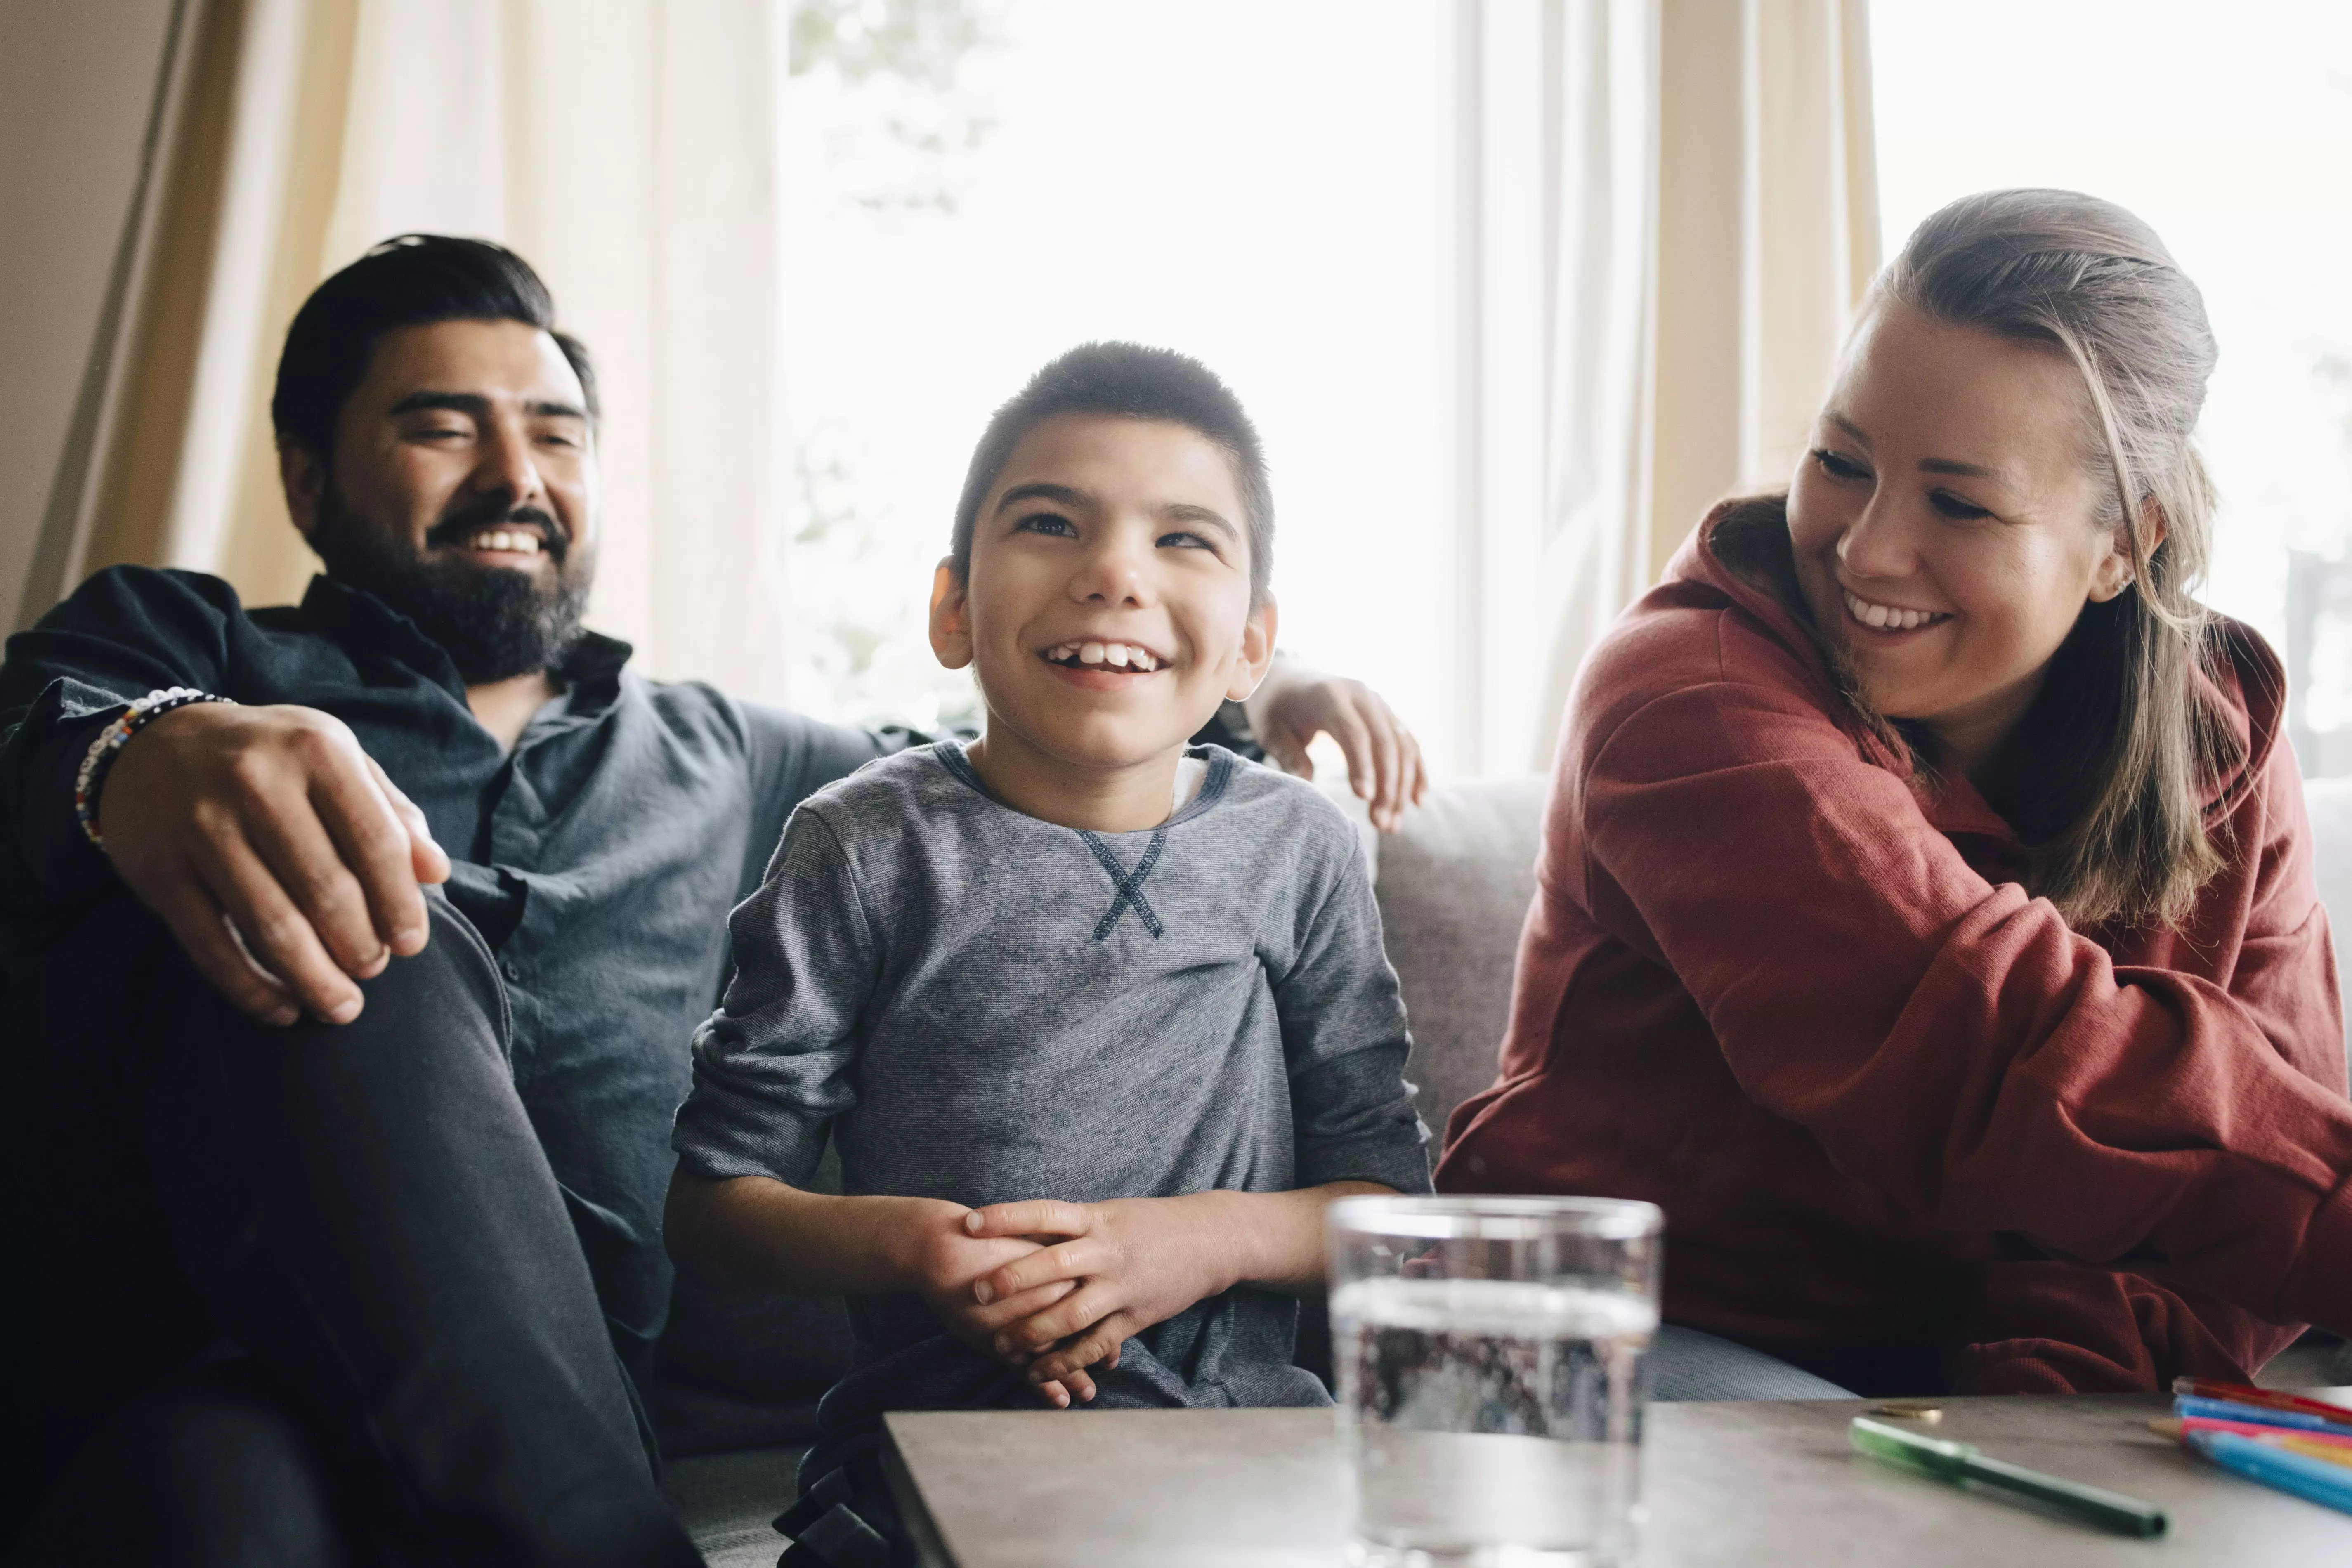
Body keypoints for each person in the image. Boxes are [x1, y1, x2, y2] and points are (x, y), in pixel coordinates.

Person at [1, 237, 1428, 1566]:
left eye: (556, 434)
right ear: (306, 480)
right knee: (381, 932)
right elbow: (34, 730)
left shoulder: (738, 758)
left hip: (540, 1412)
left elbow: (1054, 766)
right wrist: (139, 750)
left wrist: (1280, 687)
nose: (517, 472)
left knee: (201, 1505)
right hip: (201, 1315)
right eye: (444, 426)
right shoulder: (189, 656)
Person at [1439, 189, 2350, 1398]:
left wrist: (2040, 1404)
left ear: (2122, 545)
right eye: (1839, 460)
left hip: (1964, 1374)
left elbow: (2241, 1170)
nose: (1864, 550)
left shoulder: (2213, 732)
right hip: (1646, 1325)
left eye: (1959, 503)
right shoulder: (1684, 701)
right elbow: (2000, 1064)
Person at [664, 343, 1433, 1562]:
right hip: (924, 1474)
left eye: (1183, 539)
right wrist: (924, 1251)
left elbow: (1394, 1216)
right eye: (1050, 522)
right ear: (953, 607)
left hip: (1250, 1465)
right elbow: (712, 1209)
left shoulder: (1296, 848)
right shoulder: (863, 844)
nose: (1114, 573)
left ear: (1251, 647)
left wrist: (1200, 1241)